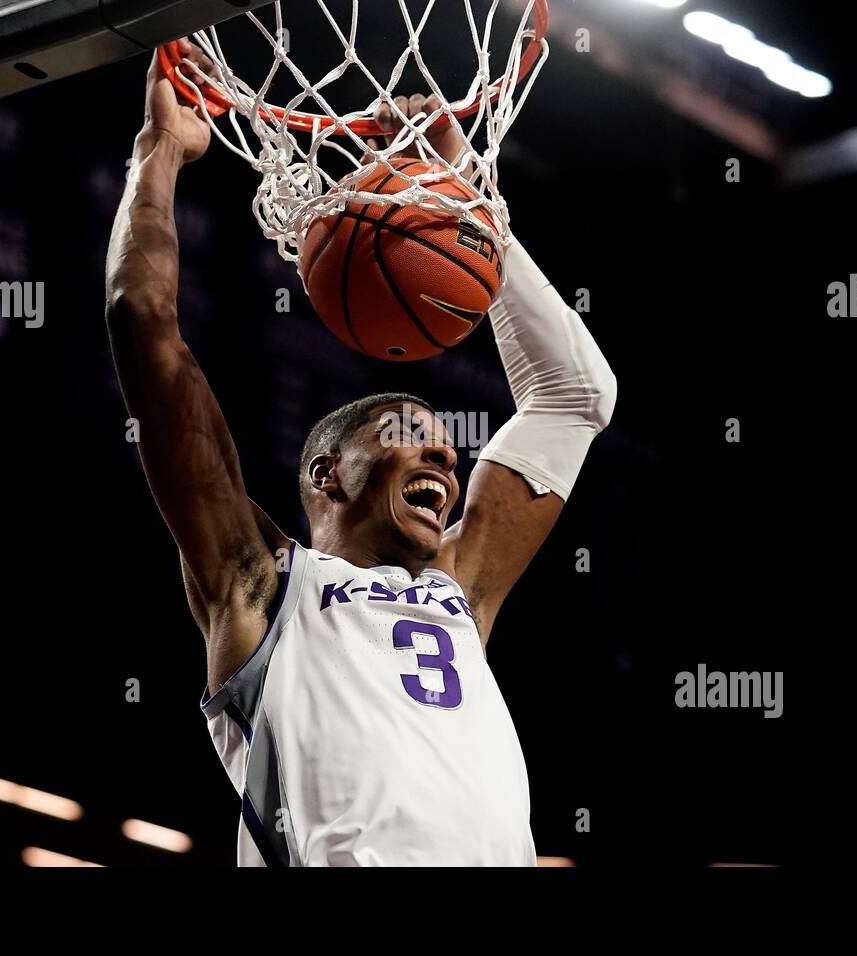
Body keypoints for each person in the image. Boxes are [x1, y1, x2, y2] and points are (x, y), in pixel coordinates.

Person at [104, 40, 617, 866]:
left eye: (449, 449)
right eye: (412, 435)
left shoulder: (461, 592)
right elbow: (142, 319)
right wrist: (157, 155)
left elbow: (577, 395)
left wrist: (466, 204)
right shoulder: (261, 588)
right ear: (325, 473)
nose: (448, 463)